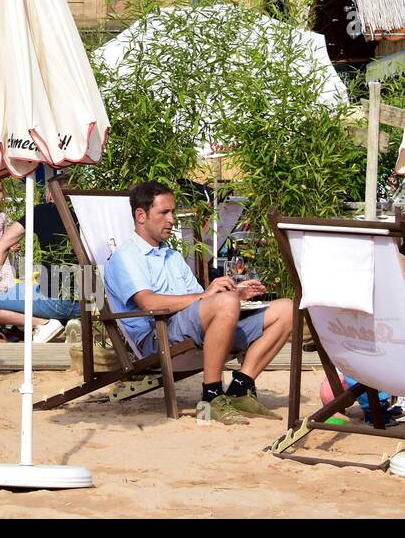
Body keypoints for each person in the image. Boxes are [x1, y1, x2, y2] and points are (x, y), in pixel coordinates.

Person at [104, 180, 293, 423]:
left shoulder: (171, 256)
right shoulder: (126, 257)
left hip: (192, 330)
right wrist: (211, 297)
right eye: (164, 212)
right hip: (157, 336)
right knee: (225, 303)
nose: (172, 219)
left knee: (287, 309)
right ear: (141, 215)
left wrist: (235, 295)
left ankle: (240, 389)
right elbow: (148, 302)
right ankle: (211, 397)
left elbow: (201, 303)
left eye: (172, 211)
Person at [0, 179, 79, 342]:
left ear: (50, 194)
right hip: (85, 302)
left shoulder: (41, 212)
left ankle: (45, 324)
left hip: (53, 299)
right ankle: (73, 321)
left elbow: (3, 244)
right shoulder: (88, 214)